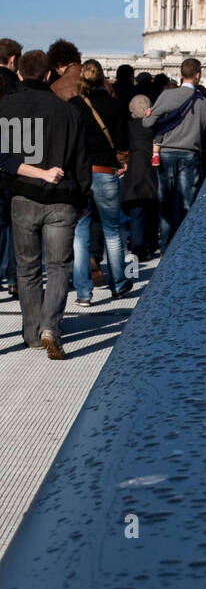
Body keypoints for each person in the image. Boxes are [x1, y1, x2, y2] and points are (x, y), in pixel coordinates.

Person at [0, 48, 90, 358]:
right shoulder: (68, 112)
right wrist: (82, 199)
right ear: (50, 75)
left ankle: (32, 332)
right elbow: (82, 163)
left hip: (22, 195)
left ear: (21, 74)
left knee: (27, 269)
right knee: (59, 266)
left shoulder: (5, 107)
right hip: (61, 198)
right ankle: (51, 324)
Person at [69, 59, 131, 304]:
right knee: (112, 231)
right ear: (102, 78)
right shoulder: (114, 106)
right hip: (106, 172)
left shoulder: (73, 106)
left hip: (80, 174)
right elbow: (123, 142)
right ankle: (118, 283)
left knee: (80, 233)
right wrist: (123, 161)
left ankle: (83, 293)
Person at [142, 57, 206, 250]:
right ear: (198, 75)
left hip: (165, 155)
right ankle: (186, 245)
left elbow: (147, 124)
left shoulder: (166, 97)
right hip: (191, 155)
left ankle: (166, 246)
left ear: (180, 75)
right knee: (188, 202)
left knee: (165, 201)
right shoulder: (204, 103)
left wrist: (151, 115)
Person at [122, 94, 159, 260]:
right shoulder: (155, 127)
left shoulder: (128, 127)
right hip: (152, 171)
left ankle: (138, 247)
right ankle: (151, 244)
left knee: (137, 211)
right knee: (152, 209)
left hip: (134, 172)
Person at [0, 38, 24, 296]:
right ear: (13, 59)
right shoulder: (17, 88)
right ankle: (14, 278)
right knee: (16, 226)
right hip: (14, 164)